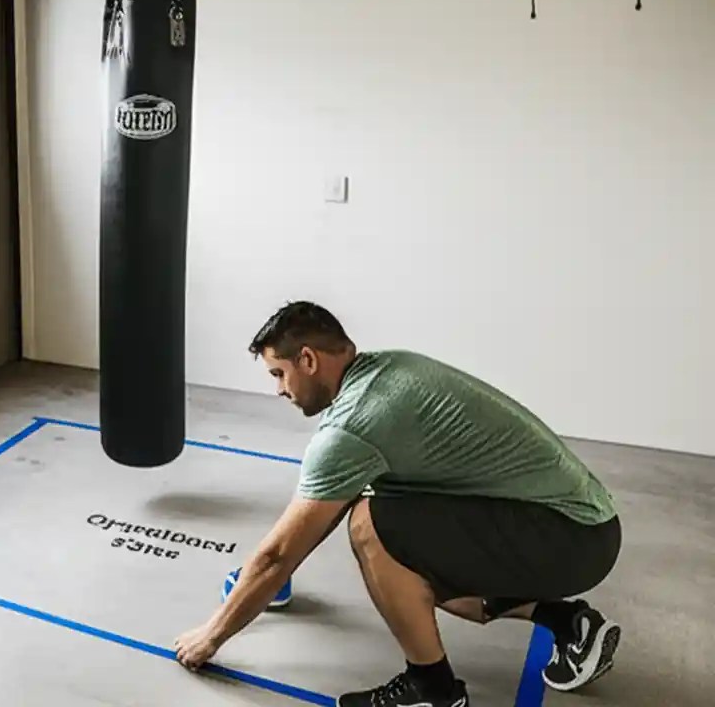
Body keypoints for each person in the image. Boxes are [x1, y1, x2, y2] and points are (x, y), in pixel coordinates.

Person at [173, 301, 622, 707]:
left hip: (569, 536)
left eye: (278, 374)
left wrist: (210, 637)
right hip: (580, 525)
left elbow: (278, 556)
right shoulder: (390, 368)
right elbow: (302, 537)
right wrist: (272, 574)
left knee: (375, 528)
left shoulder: (352, 426)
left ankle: (433, 691)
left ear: (307, 360)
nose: (279, 390)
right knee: (400, 536)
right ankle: (568, 623)